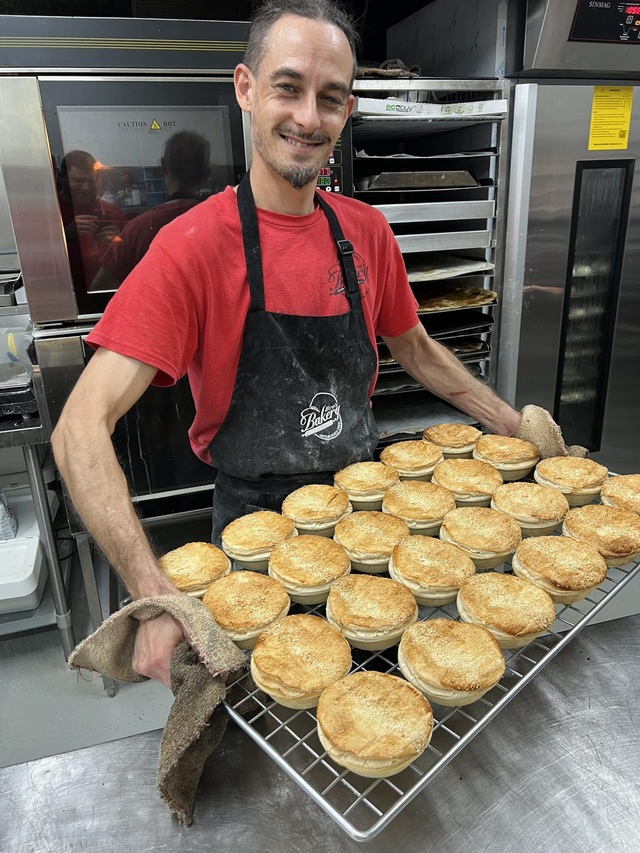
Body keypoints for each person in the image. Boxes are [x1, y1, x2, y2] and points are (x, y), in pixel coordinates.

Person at [52, 0, 521, 688]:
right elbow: (78, 429)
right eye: (287, 87)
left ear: (348, 110)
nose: (307, 117)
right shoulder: (190, 247)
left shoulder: (366, 231)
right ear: (245, 89)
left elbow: (417, 348)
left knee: (380, 694)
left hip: (370, 515)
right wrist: (155, 593)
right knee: (257, 715)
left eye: (329, 98)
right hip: (252, 537)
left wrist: (512, 423)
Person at [90, 131, 211, 291]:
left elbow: (99, 290)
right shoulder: (222, 225)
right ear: (206, 174)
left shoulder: (137, 230)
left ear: (163, 167)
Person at [57, 150, 127, 288]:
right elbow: (37, 262)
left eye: (91, 181)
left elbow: (134, 258)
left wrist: (117, 242)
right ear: (62, 178)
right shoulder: (50, 212)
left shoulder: (112, 212)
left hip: (107, 297)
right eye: (78, 181)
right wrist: (66, 235)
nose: (86, 187)